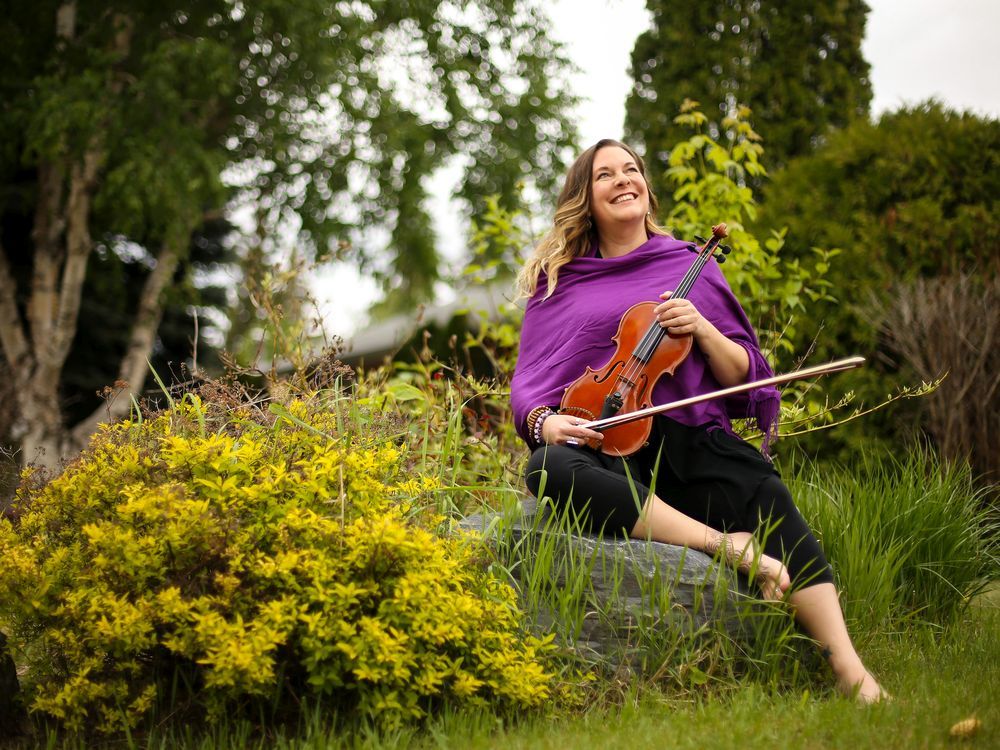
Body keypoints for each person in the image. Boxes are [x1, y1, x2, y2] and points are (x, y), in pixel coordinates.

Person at [509, 139, 888, 703]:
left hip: (691, 439)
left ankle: (853, 675)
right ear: (584, 198)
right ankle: (722, 545)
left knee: (770, 498)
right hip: (609, 447)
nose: (622, 180)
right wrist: (549, 425)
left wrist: (704, 330)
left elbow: (743, 372)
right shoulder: (558, 281)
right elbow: (530, 382)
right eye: (604, 175)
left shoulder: (690, 264)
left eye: (631, 170)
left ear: (645, 187)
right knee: (548, 469)